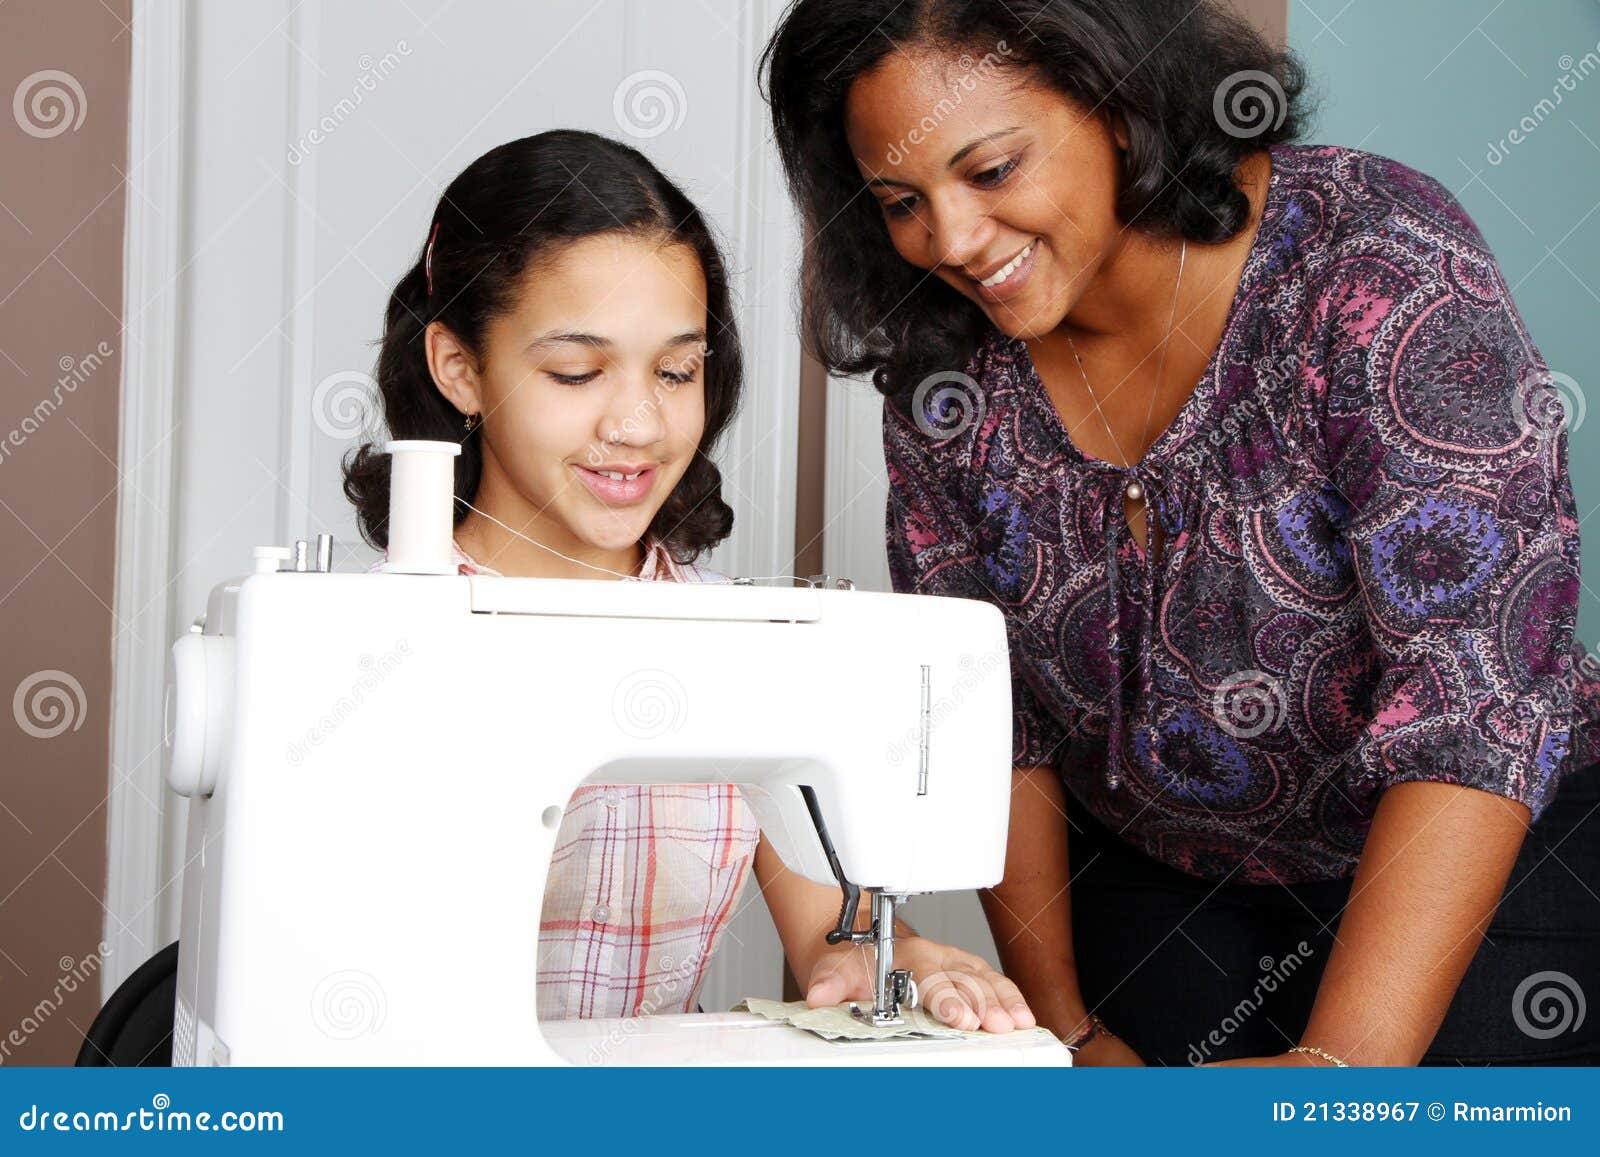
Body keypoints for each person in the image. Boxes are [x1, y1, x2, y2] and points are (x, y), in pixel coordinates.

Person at [761, 0, 1600, 1064]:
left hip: (1461, 859)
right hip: (1153, 880)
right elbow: (993, 716)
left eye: (992, 169)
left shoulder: (1372, 261)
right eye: (900, 201)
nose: (952, 240)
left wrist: (1337, 1072)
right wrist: (1065, 1027)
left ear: (1120, 100)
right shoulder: (948, 374)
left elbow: (1473, 692)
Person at [343, 130, 1036, 1033]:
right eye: (577, 372)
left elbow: (829, 934)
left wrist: (879, 952)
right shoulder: (364, 647)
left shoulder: (739, 646)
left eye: (676, 371)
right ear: (460, 369)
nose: (639, 425)